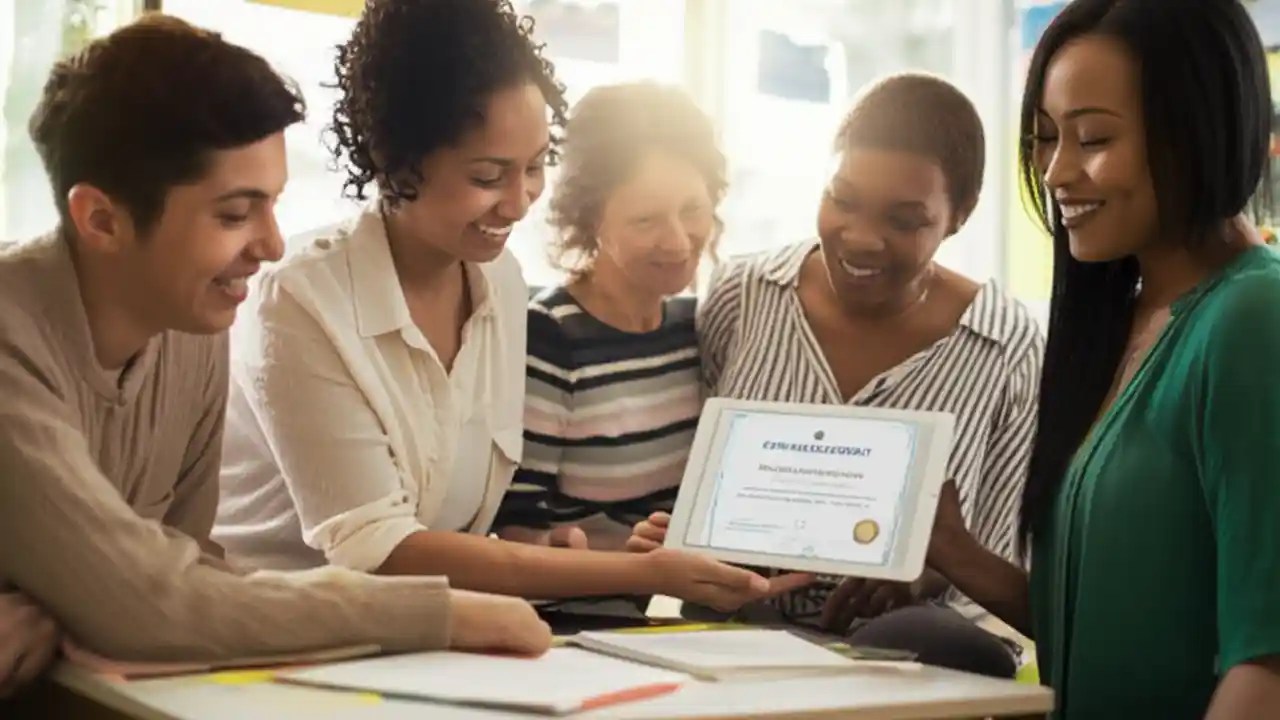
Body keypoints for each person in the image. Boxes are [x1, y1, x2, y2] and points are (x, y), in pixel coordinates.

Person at [0, 14, 553, 696]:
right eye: (234, 214)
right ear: (101, 220)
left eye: (273, 205)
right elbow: (145, 605)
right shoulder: (12, 341)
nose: (270, 245)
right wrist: (441, 611)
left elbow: (181, 573)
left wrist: (68, 606)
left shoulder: (190, 328)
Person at [214, 0, 807, 610]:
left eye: (533, 167)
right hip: (280, 632)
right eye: (488, 176)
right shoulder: (301, 300)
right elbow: (380, 551)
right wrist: (641, 574)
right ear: (399, 159)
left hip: (428, 635)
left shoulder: (498, 279)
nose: (520, 202)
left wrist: (550, 543)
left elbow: (475, 527)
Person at [925, 0, 1280, 716]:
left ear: (1196, 130)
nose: (1057, 174)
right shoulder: (1123, 321)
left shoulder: (1253, 319)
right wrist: (955, 552)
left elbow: (1265, 663)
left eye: (1092, 138)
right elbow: (1113, 631)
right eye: (1046, 138)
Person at [628, 73, 1042, 678]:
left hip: (916, 657)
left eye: (904, 221)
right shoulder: (743, 294)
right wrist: (687, 532)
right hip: (736, 637)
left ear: (959, 216)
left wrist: (924, 572)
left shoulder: (1006, 345)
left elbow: (995, 555)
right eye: (843, 200)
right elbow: (709, 468)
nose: (862, 237)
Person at [494, 82, 726, 551]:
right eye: (646, 220)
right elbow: (516, 531)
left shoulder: (694, 326)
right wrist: (606, 555)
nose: (679, 242)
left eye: (692, 210)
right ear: (590, 219)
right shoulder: (550, 336)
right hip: (591, 607)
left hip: (680, 603)